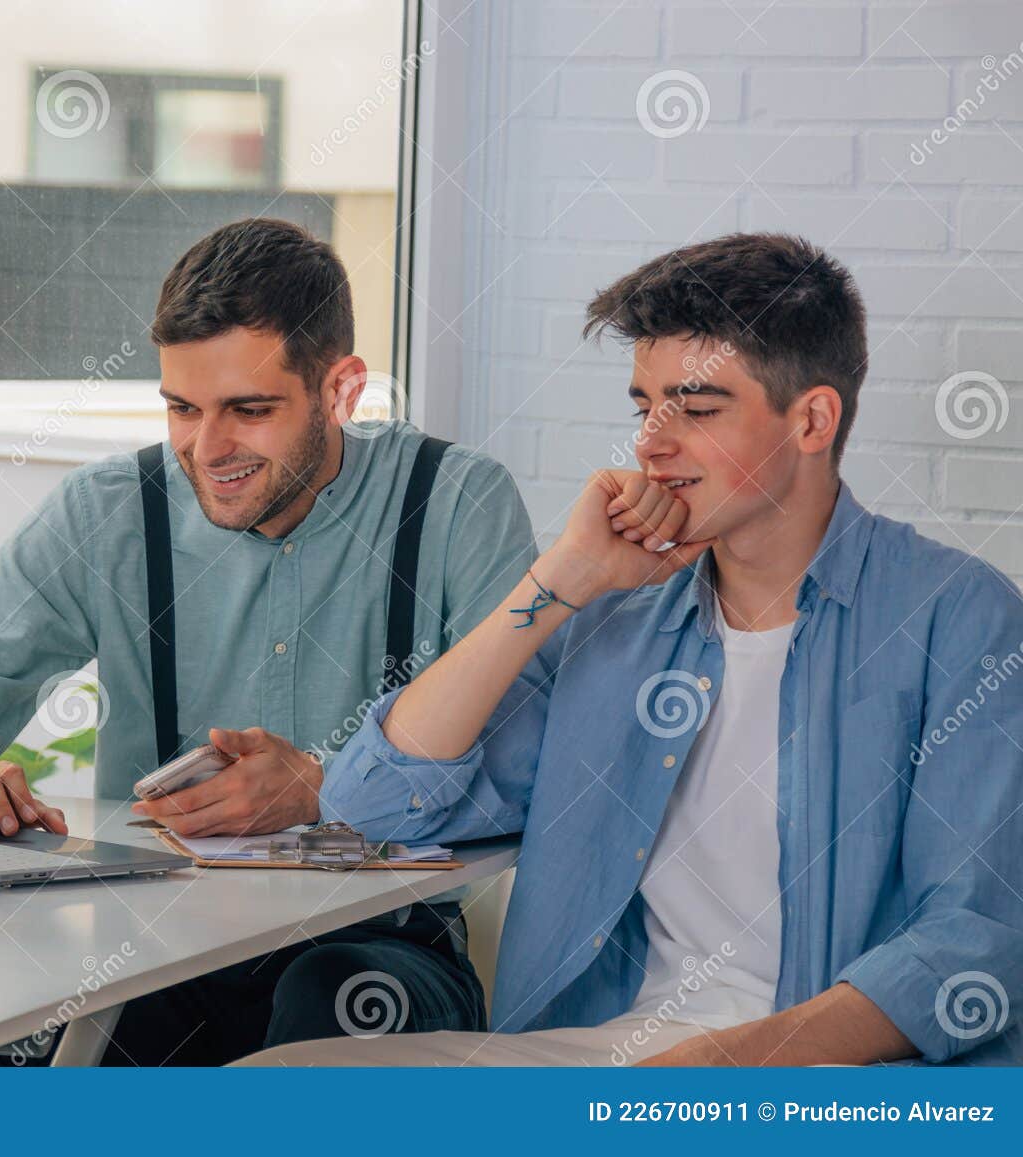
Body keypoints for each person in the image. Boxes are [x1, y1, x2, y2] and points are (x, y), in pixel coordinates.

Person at [240, 232, 1023, 1067]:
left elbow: (972, 941)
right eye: (644, 405)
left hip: (821, 1075)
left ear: (812, 419)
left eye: (696, 407)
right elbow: (368, 808)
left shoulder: (959, 618)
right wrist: (560, 579)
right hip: (599, 1054)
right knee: (278, 1082)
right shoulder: (616, 621)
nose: (651, 441)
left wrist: (719, 1061)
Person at [0, 217, 535, 1064]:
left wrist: (325, 787)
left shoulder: (456, 504)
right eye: (182, 408)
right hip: (150, 950)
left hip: (385, 952)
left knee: (325, 1002)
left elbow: (533, 774)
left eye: (249, 410)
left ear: (341, 389)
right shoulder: (108, 511)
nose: (207, 447)